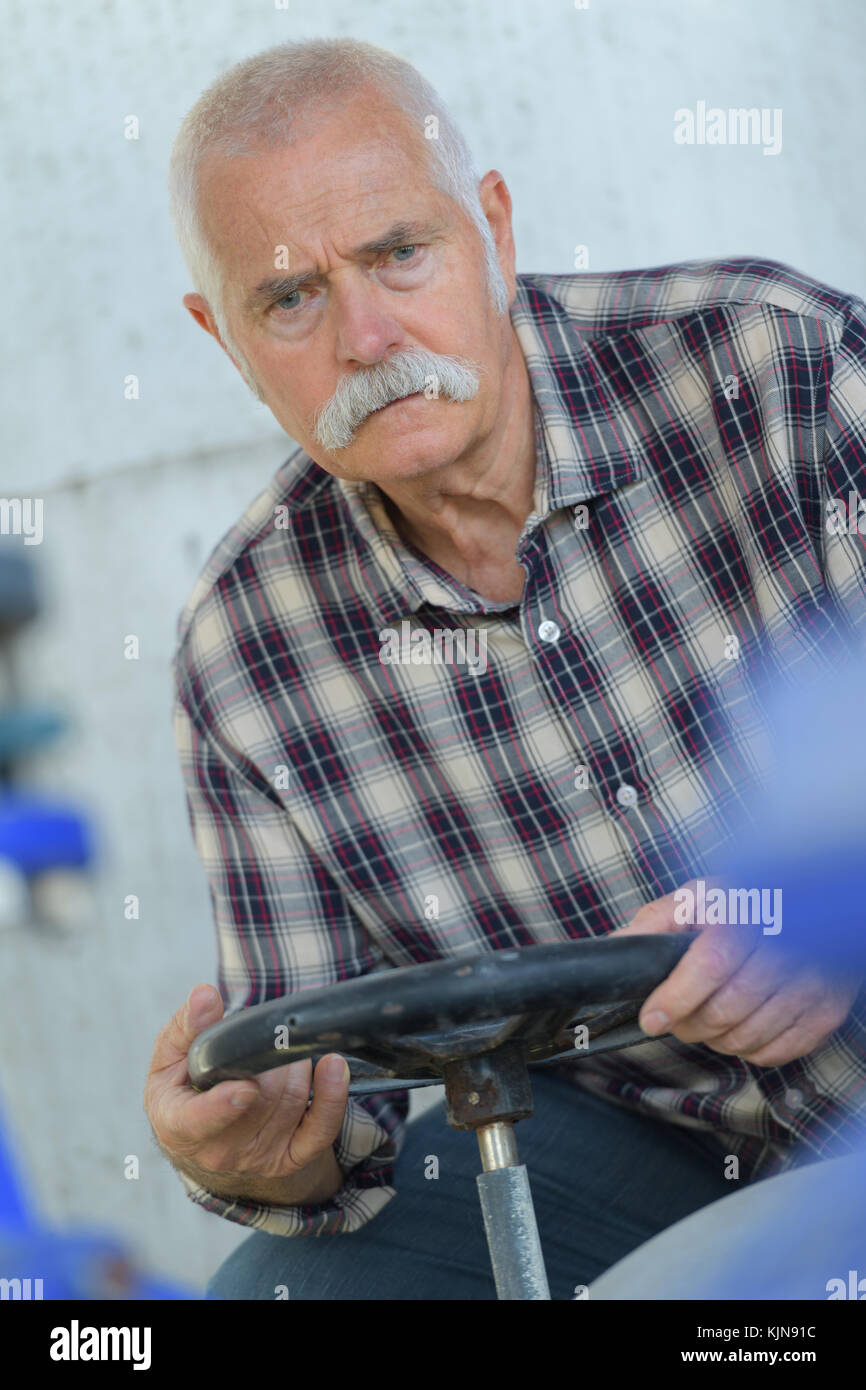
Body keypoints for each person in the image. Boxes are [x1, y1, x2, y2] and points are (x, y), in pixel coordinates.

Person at [144, 37, 866, 1300]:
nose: (367, 336)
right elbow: (339, 1101)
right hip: (669, 1150)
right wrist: (266, 1152)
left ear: (491, 227)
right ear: (223, 337)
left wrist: (827, 905)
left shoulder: (779, 370)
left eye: (397, 255)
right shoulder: (244, 650)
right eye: (290, 299)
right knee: (272, 1293)